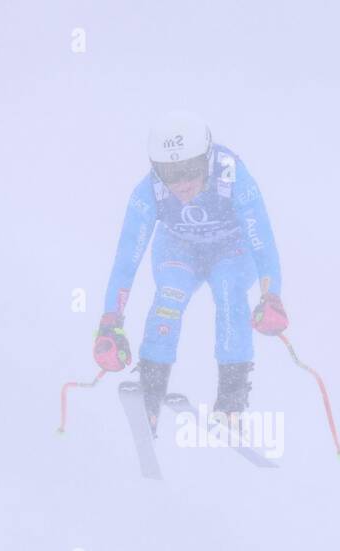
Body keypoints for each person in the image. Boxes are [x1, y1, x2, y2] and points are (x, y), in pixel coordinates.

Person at [93, 110, 288, 433]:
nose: (181, 183)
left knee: (229, 290)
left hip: (232, 250)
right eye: (169, 172)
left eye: (189, 170)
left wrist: (272, 296)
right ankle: (150, 395)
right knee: (170, 296)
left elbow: (262, 241)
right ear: (155, 168)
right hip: (179, 248)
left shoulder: (232, 175)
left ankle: (231, 400)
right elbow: (126, 261)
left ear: (208, 159)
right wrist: (110, 321)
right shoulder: (149, 191)